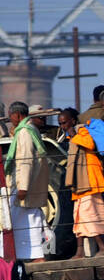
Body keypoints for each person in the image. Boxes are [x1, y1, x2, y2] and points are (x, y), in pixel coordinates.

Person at [62, 108, 104, 258]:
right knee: (78, 216)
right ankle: (80, 251)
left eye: (65, 122)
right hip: (79, 182)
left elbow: (90, 144)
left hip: (89, 179)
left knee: (88, 214)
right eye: (60, 124)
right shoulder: (71, 135)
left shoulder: (81, 130)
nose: (62, 126)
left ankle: (103, 248)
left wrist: (74, 136)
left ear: (73, 120)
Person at [4, 102, 49, 262]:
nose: (10, 119)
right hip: (31, 183)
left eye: (11, 116)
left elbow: (25, 160)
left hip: (24, 185)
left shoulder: (24, 132)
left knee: (14, 219)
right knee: (31, 218)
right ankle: (34, 255)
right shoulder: (31, 129)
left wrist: (23, 187)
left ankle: (30, 255)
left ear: (17, 115)